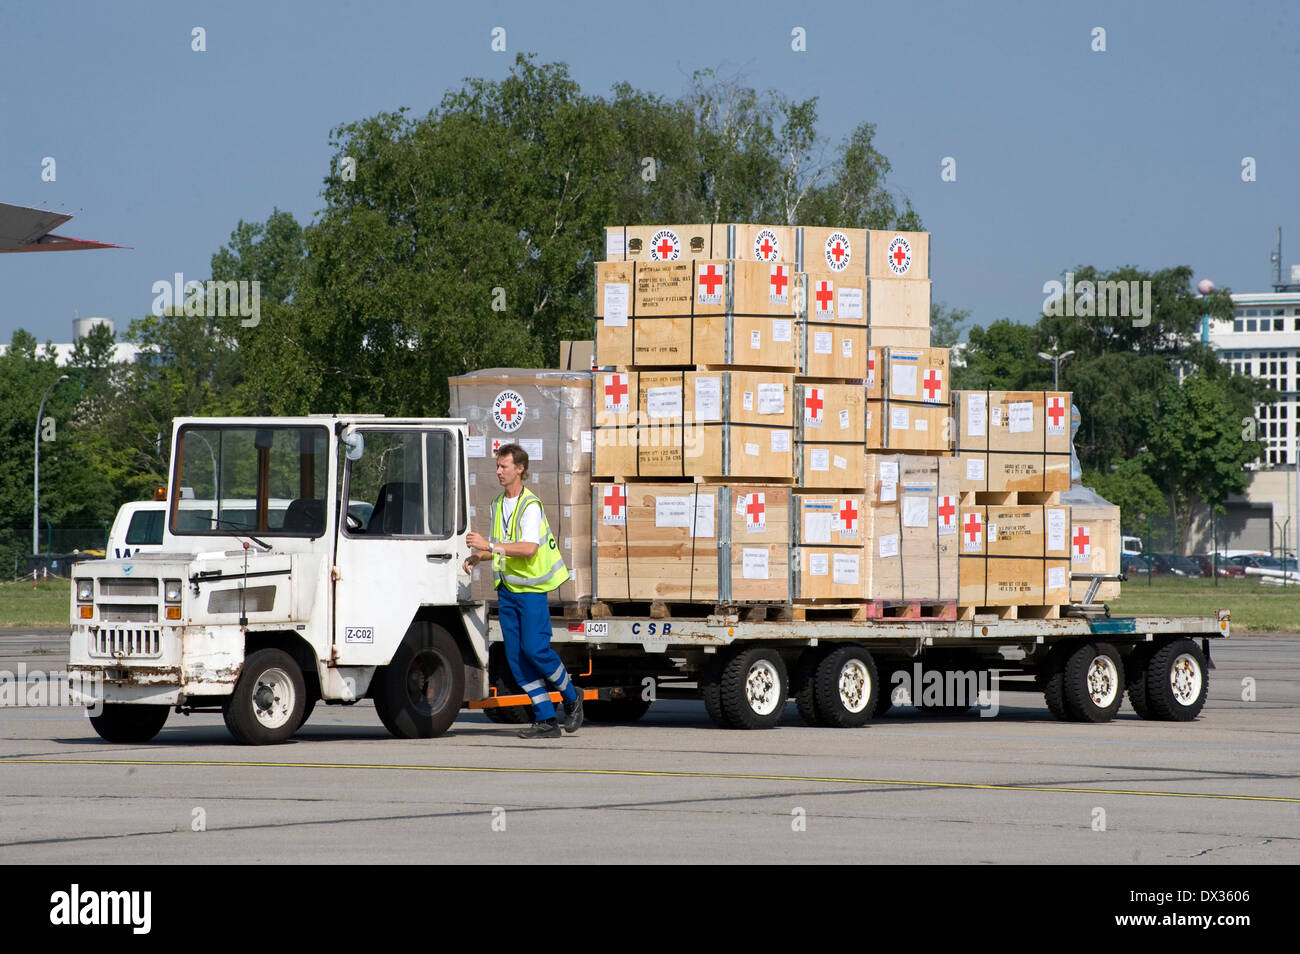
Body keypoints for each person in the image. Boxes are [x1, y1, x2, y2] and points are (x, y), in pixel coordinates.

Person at [464, 444, 583, 739]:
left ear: (520, 469)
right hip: (507, 591)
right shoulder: (497, 503)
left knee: (535, 649)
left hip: (530, 591)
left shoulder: (530, 505)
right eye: (497, 466)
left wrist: (488, 546)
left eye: (504, 466)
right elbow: (505, 547)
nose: (498, 471)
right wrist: (480, 557)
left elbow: (528, 549)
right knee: (516, 659)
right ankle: (546, 720)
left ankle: (571, 696)